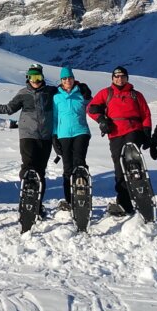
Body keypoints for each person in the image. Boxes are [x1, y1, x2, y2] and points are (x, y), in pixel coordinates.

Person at [0, 65, 58, 217]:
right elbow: (8, 109)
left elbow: (65, 94)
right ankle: (27, 196)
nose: (36, 81)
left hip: (45, 136)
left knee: (40, 171)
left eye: (38, 77)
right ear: (28, 78)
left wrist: (79, 87)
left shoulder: (50, 92)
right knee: (28, 166)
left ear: (42, 78)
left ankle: (37, 205)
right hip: (27, 134)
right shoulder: (23, 94)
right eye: (32, 78)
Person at [87, 66, 152, 217]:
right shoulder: (106, 93)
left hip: (132, 130)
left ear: (127, 78)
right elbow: (91, 109)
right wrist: (102, 120)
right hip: (115, 134)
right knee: (119, 167)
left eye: (122, 76)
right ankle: (124, 202)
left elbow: (146, 114)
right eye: (116, 76)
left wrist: (147, 133)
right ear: (112, 78)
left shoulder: (135, 95)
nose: (119, 79)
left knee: (133, 166)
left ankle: (142, 198)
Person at [51, 67, 93, 212]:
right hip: (63, 135)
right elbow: (55, 118)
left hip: (81, 132)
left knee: (79, 163)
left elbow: (94, 106)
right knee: (67, 167)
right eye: (64, 79)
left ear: (73, 79)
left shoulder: (81, 93)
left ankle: (83, 194)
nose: (67, 80)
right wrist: (54, 136)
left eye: (69, 78)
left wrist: (88, 94)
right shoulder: (56, 96)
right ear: (61, 81)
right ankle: (69, 200)